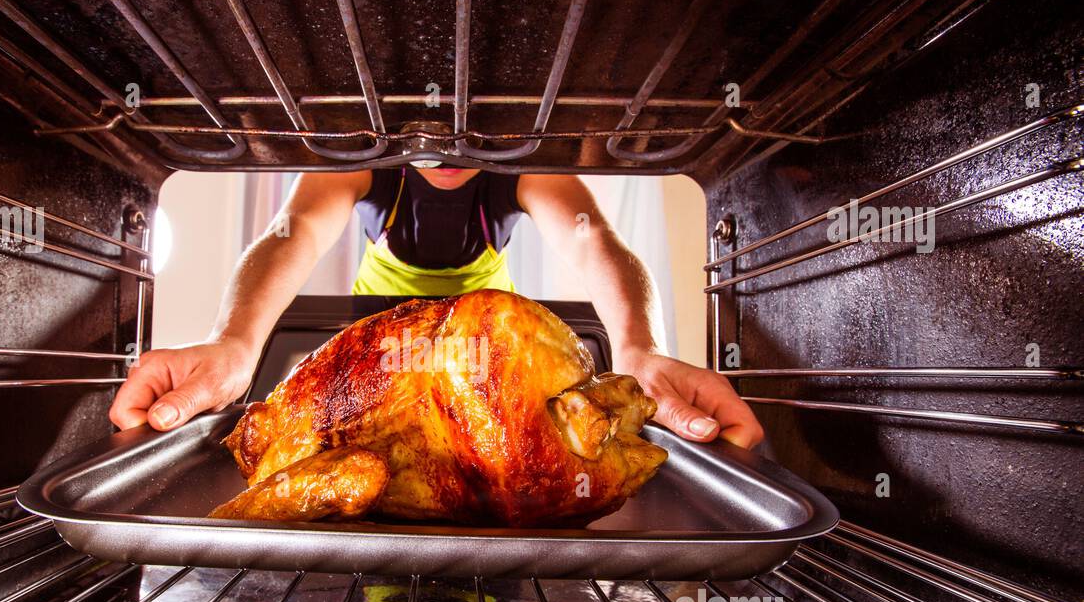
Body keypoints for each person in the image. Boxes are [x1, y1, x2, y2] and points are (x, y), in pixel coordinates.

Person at [109, 165, 763, 449]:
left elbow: (597, 242)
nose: (448, 154)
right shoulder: (363, 161)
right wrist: (235, 340)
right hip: (381, 323)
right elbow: (296, 230)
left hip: (484, 329)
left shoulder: (523, 166)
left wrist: (637, 348)